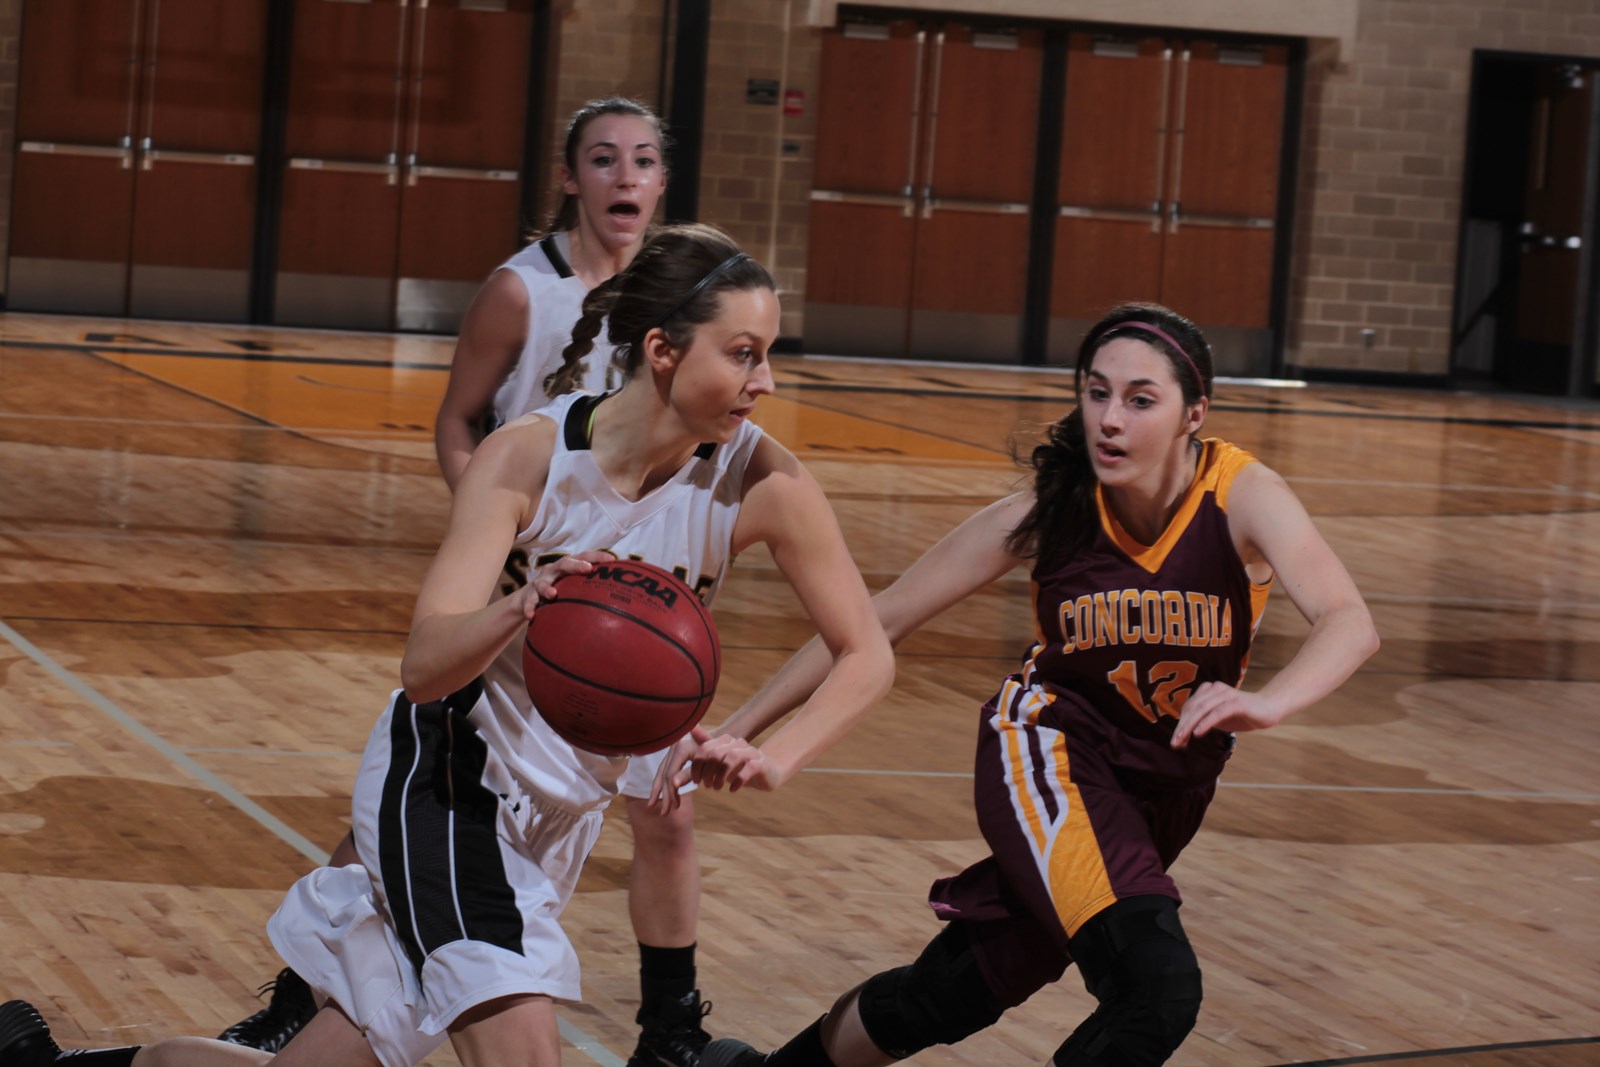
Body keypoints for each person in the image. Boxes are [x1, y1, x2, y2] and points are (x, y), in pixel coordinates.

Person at [1, 224, 895, 1067]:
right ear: (663, 350)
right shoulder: (528, 458)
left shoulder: (761, 478)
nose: (767, 380)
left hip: (556, 820)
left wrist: (773, 753)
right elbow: (424, 664)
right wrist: (523, 605)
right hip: (449, 782)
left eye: (767, 353)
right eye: (744, 353)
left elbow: (866, 651)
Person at [670, 302, 1381, 1067]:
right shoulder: (1054, 510)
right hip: (1052, 756)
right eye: (1097, 392)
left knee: (954, 991)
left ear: (1193, 414)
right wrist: (741, 724)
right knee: (1156, 989)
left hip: (1162, 793)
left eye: (1141, 400)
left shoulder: (1240, 493)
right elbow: (876, 620)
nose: (1111, 418)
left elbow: (1347, 618)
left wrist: (1271, 700)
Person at [218, 97, 715, 1067]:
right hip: (520, 589)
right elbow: (457, 421)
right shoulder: (521, 293)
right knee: (414, 803)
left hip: (622, 607)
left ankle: (671, 1023)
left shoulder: (680, 304)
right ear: (570, 177)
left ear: (660, 181)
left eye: (642, 160)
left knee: (667, 802)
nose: (623, 176)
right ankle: (298, 995)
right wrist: (487, 531)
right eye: (602, 159)